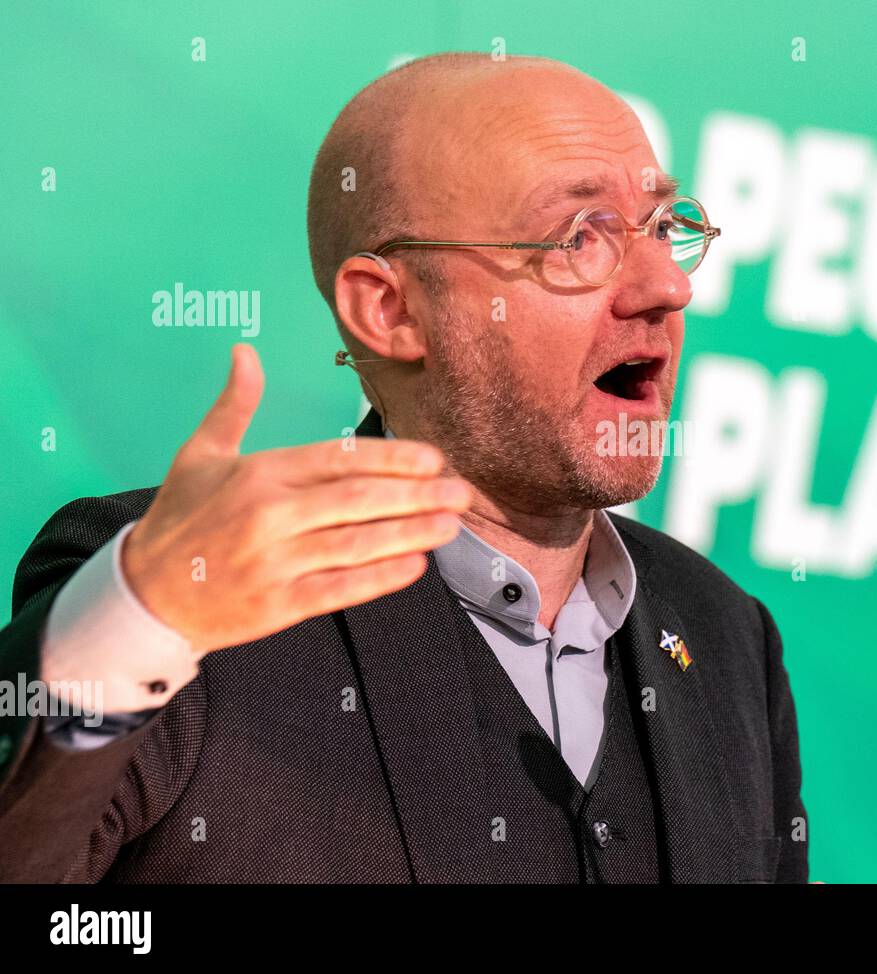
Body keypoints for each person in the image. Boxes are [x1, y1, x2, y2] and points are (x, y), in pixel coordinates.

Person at [0, 51, 808, 883]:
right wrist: (141, 614)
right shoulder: (185, 595)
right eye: (581, 236)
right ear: (390, 311)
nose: (666, 286)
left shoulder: (725, 636)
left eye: (665, 226)